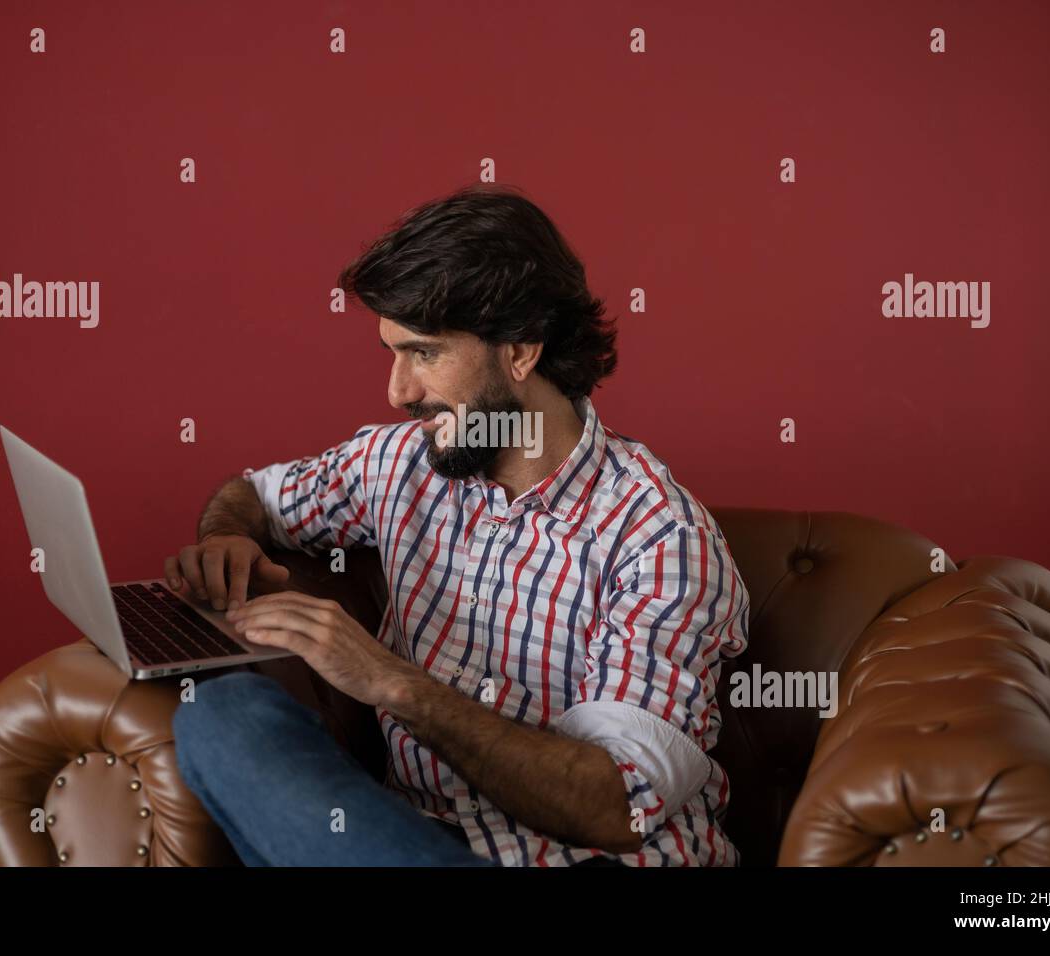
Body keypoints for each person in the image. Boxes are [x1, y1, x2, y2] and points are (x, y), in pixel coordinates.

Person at [168, 183, 751, 867]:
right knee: (221, 715)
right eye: (393, 353)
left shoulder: (658, 537)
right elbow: (254, 494)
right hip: (410, 842)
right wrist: (226, 537)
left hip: (582, 859)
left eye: (424, 353)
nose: (398, 392)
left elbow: (614, 806)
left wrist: (391, 682)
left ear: (521, 351)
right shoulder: (399, 463)